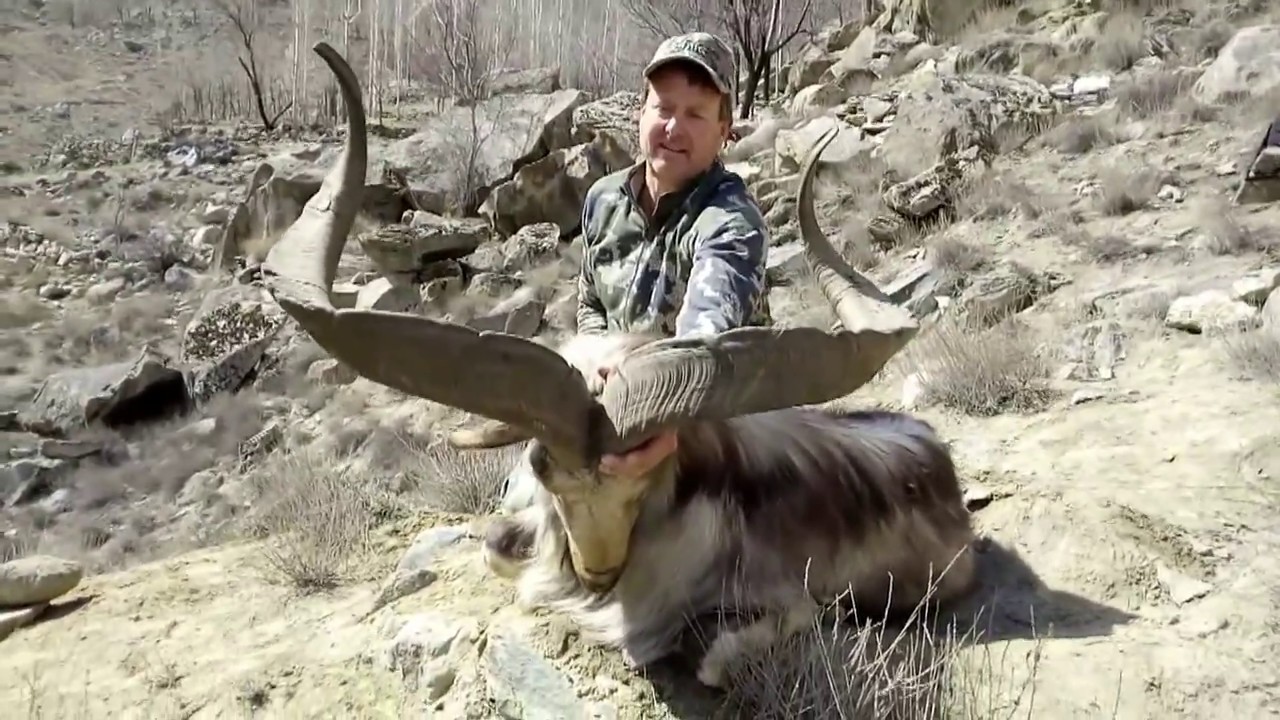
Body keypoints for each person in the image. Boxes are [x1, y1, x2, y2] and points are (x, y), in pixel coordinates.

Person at [574, 31, 772, 481]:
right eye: (662, 109)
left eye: (695, 115)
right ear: (640, 113)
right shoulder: (603, 200)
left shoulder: (731, 220)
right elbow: (589, 304)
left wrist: (664, 423)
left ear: (724, 130)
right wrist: (596, 368)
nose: (673, 129)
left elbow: (705, 335)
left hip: (712, 428)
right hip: (616, 410)